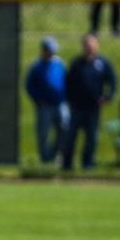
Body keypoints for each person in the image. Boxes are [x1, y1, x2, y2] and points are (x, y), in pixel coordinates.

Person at [62, 33, 116, 172]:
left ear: (97, 45)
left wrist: (107, 97)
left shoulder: (102, 63)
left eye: (92, 44)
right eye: (87, 45)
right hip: (76, 107)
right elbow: (68, 83)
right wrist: (69, 100)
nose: (89, 47)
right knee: (70, 136)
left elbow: (112, 82)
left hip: (93, 108)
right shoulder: (76, 63)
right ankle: (67, 163)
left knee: (92, 137)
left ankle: (88, 163)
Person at [24, 36, 68, 165]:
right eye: (49, 50)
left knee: (64, 129)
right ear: (43, 50)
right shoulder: (36, 66)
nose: (51, 53)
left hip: (60, 103)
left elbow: (66, 81)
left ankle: (57, 155)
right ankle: (45, 159)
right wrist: (38, 99)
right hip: (44, 106)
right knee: (43, 133)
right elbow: (29, 86)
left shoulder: (59, 63)